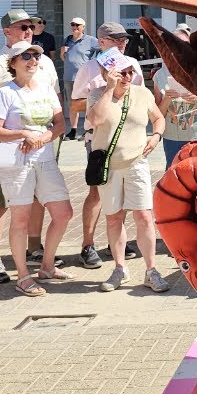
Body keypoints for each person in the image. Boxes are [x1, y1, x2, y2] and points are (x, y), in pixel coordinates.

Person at [0, 9, 59, 284]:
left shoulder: (45, 63)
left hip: (41, 144)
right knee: (0, 200)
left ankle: (35, 248)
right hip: (6, 144)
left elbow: (54, 100)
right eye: (21, 27)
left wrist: (48, 137)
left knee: (37, 198)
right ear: (6, 31)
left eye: (31, 26)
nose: (28, 30)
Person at [0, 43, 73, 296]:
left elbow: (59, 124)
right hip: (16, 162)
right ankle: (23, 276)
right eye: (26, 56)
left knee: (63, 212)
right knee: (21, 219)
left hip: (45, 159)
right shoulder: (5, 92)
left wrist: (43, 138)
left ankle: (47, 267)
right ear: (13, 63)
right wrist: (23, 133)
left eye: (37, 55)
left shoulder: (46, 87)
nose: (33, 60)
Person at [87, 56, 169, 293]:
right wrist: (110, 89)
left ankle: (151, 270)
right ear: (106, 73)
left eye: (130, 72)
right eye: (120, 73)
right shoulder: (97, 95)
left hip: (136, 163)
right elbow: (96, 119)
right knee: (114, 217)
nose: (126, 77)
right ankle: (119, 268)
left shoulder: (142, 93)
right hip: (109, 166)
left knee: (143, 215)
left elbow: (159, 118)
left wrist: (156, 136)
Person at [71, 22, 143, 268]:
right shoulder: (89, 68)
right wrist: (103, 95)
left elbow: (140, 100)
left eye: (124, 39)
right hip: (99, 138)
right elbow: (75, 104)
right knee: (97, 191)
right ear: (101, 42)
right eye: (115, 39)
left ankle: (116, 245)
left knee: (123, 192)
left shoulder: (132, 65)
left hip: (128, 137)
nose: (121, 43)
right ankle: (87, 245)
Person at [152, 27, 197, 168]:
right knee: (176, 176)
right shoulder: (160, 75)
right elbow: (157, 115)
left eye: (184, 43)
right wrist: (167, 99)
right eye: (174, 44)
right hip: (173, 138)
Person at [60, 17, 97, 141]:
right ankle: (73, 131)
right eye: (73, 25)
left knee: (87, 103)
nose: (75, 27)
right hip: (69, 77)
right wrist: (62, 52)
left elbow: (104, 49)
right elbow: (63, 58)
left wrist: (97, 65)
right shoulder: (67, 40)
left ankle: (88, 130)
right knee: (72, 105)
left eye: (77, 25)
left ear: (83, 27)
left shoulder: (91, 40)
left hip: (85, 78)